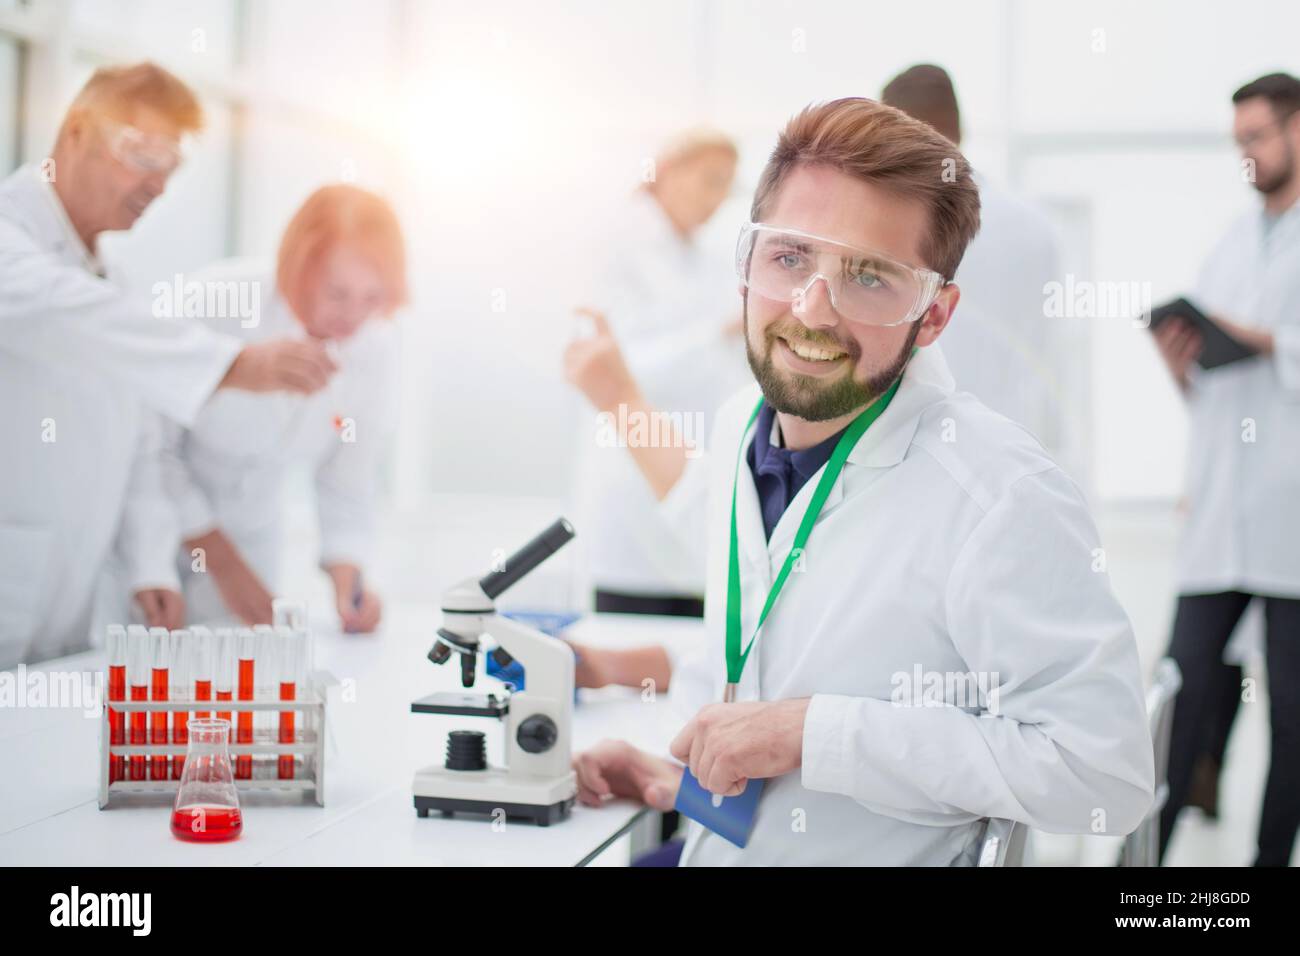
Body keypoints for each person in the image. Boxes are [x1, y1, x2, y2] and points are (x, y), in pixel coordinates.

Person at [572, 97, 1154, 865]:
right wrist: (675, 776)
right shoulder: (743, 424)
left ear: (934, 315)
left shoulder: (998, 496)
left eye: (870, 276)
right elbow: (757, 668)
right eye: (790, 258)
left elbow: (1105, 772)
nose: (813, 312)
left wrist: (815, 733)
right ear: (746, 264)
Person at [0, 63, 336, 668]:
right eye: (143, 155)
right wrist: (231, 364)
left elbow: (138, 445)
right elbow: (63, 312)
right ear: (76, 130)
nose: (157, 185)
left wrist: (151, 565)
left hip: (67, 603)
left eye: (171, 166)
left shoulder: (115, 283)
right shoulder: (11, 241)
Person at [1151, 72, 1300, 867]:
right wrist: (1182, 363)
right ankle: (1141, 868)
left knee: (1293, 722)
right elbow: (1208, 388)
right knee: (1177, 701)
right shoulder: (1230, 244)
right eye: (1237, 142)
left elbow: (1274, 349)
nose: (1246, 155)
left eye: (1257, 137)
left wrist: (1269, 340)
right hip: (1219, 517)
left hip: (1290, 521)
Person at [164, 185, 405, 632]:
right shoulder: (214, 301)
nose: (353, 315)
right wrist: (220, 561)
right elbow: (152, 450)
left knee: (236, 667)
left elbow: (347, 477)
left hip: (255, 541)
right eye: (337, 293)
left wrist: (348, 574)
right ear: (298, 266)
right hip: (153, 537)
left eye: (372, 298)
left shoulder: (374, 346)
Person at [566, 128, 749, 630]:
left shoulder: (700, 256)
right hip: (632, 499)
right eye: (710, 180)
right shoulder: (619, 245)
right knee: (630, 645)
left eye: (726, 186)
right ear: (667, 171)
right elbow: (604, 367)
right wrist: (719, 333)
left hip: (690, 494)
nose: (716, 199)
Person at [881, 64, 1071, 474]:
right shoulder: (1035, 226)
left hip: (925, 455)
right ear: (960, 127)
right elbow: (1052, 347)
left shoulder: (900, 230)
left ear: (895, 132)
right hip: (1019, 450)